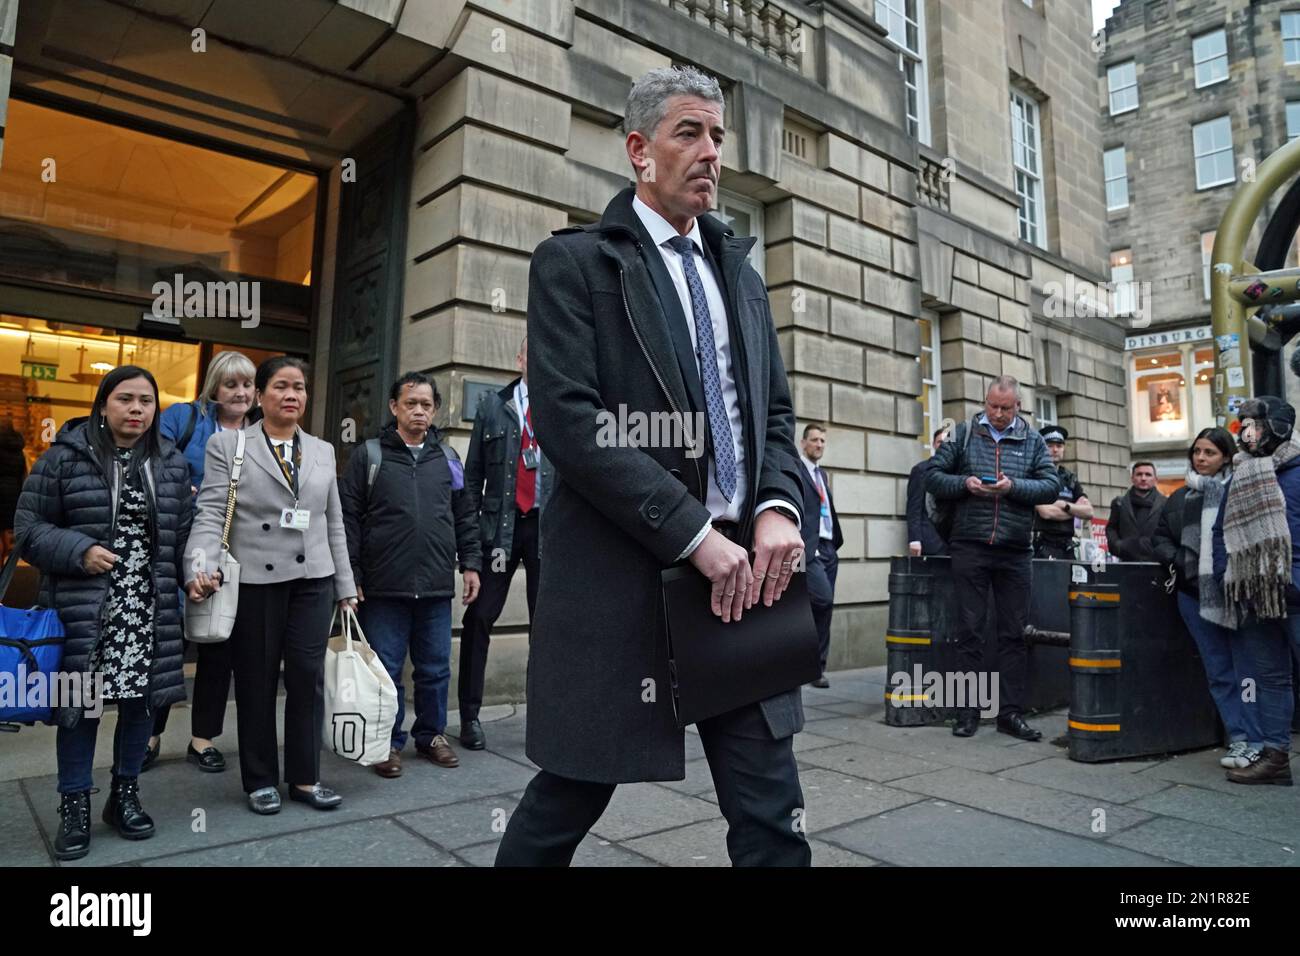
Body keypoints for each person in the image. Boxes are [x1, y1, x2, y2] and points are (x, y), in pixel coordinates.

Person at [495, 66, 810, 867]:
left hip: (742, 586)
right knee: (567, 798)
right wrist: (691, 531)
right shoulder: (574, 265)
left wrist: (777, 505)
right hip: (626, 580)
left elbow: (771, 413)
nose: (710, 152)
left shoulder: (740, 272)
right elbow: (571, 423)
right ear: (639, 149)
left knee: (772, 813)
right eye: (689, 134)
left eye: (717, 136)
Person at [14, 366, 193, 860]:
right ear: (102, 404)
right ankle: (74, 807)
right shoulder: (64, 458)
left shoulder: (172, 463)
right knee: (80, 710)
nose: (137, 409)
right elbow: (27, 527)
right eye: (125, 399)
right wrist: (79, 550)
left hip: (146, 606)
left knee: (140, 706)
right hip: (84, 611)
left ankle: (125, 796)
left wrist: (199, 571)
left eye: (146, 401)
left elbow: (188, 534)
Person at [185, 356, 357, 814]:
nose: (291, 395)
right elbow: (210, 513)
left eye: (298, 387)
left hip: (313, 581)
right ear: (260, 396)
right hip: (257, 581)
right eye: (281, 386)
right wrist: (198, 566)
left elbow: (333, 522)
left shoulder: (321, 450)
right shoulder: (230, 445)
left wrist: (346, 583)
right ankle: (260, 779)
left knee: (307, 678)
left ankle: (305, 778)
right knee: (257, 681)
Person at [339, 372, 483, 777]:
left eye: (426, 405)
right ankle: (387, 741)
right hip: (384, 586)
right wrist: (351, 573)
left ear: (435, 410)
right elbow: (348, 518)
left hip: (436, 585)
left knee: (435, 667)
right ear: (394, 407)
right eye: (411, 404)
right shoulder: (369, 456)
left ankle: (431, 735)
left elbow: (464, 515)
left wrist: (471, 563)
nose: (419, 411)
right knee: (385, 669)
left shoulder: (449, 458)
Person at [925, 376, 1060, 740]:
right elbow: (932, 476)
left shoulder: (1033, 441)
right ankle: (967, 712)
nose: (997, 414)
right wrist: (964, 483)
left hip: (1015, 551)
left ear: (1018, 406)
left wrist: (1012, 487)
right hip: (970, 544)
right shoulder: (965, 432)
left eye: (1005, 408)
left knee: (1014, 634)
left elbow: (1051, 486)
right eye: (992, 406)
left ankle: (1010, 713)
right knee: (969, 631)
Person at [145, 350, 256, 774]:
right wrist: (188, 490)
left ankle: (202, 738)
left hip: (233, 551)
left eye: (246, 384)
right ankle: (150, 735)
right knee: (167, 643)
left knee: (217, 641)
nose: (240, 392)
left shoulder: (260, 433)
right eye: (231, 384)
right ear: (215, 387)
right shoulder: (183, 418)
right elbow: (154, 458)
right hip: (177, 544)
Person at [459, 335, 551, 751]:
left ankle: (544, 716)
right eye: (533, 351)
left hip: (546, 531)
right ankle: (469, 716)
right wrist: (471, 549)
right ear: (520, 358)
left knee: (547, 626)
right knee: (480, 619)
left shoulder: (561, 406)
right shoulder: (492, 406)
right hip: (500, 530)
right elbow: (472, 478)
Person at [1152, 427, 1261, 771]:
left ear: (1226, 456)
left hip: (1236, 593)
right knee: (1218, 670)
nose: (1201, 458)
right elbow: (1159, 538)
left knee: (1248, 671)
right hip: (1192, 595)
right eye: (1197, 451)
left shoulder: (1241, 490)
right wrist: (1179, 559)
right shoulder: (1180, 496)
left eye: (1210, 452)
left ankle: (1260, 740)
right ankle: (1239, 737)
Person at [1211, 396, 1300, 785]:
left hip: (1297, 593)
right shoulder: (1240, 475)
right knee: (1271, 680)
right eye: (1243, 424)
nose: (1246, 432)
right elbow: (1219, 534)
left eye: (1255, 424)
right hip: (1257, 596)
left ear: (1276, 427)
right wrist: (1226, 574)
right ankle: (1276, 758)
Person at [798, 423, 842, 688]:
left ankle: (817, 668)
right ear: (803, 443)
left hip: (828, 547)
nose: (819, 445)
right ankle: (800, 662)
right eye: (814, 440)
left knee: (826, 609)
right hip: (808, 549)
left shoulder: (821, 475)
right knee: (820, 599)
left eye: (823, 441)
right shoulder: (797, 469)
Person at [1032, 425, 1093, 560]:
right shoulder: (1035, 476)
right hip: (1043, 546)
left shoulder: (1069, 478)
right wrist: (1075, 512)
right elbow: (1046, 513)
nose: (1055, 450)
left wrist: (1064, 505)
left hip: (1068, 547)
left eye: (1059, 446)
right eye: (1050, 445)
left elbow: (1089, 512)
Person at [1106, 462, 1166, 561]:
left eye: (1148, 474)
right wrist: (1118, 546)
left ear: (1156, 479)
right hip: (1126, 563)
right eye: (1139, 474)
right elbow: (1111, 528)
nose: (1143, 478)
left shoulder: (1165, 504)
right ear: (1132, 478)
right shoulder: (1119, 503)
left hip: (1157, 563)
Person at [906, 428, 949, 557]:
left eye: (947, 443)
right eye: (940, 442)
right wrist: (914, 539)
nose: (943, 446)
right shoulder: (921, 470)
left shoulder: (959, 470)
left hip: (954, 542)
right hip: (930, 540)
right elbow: (914, 508)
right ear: (933, 444)